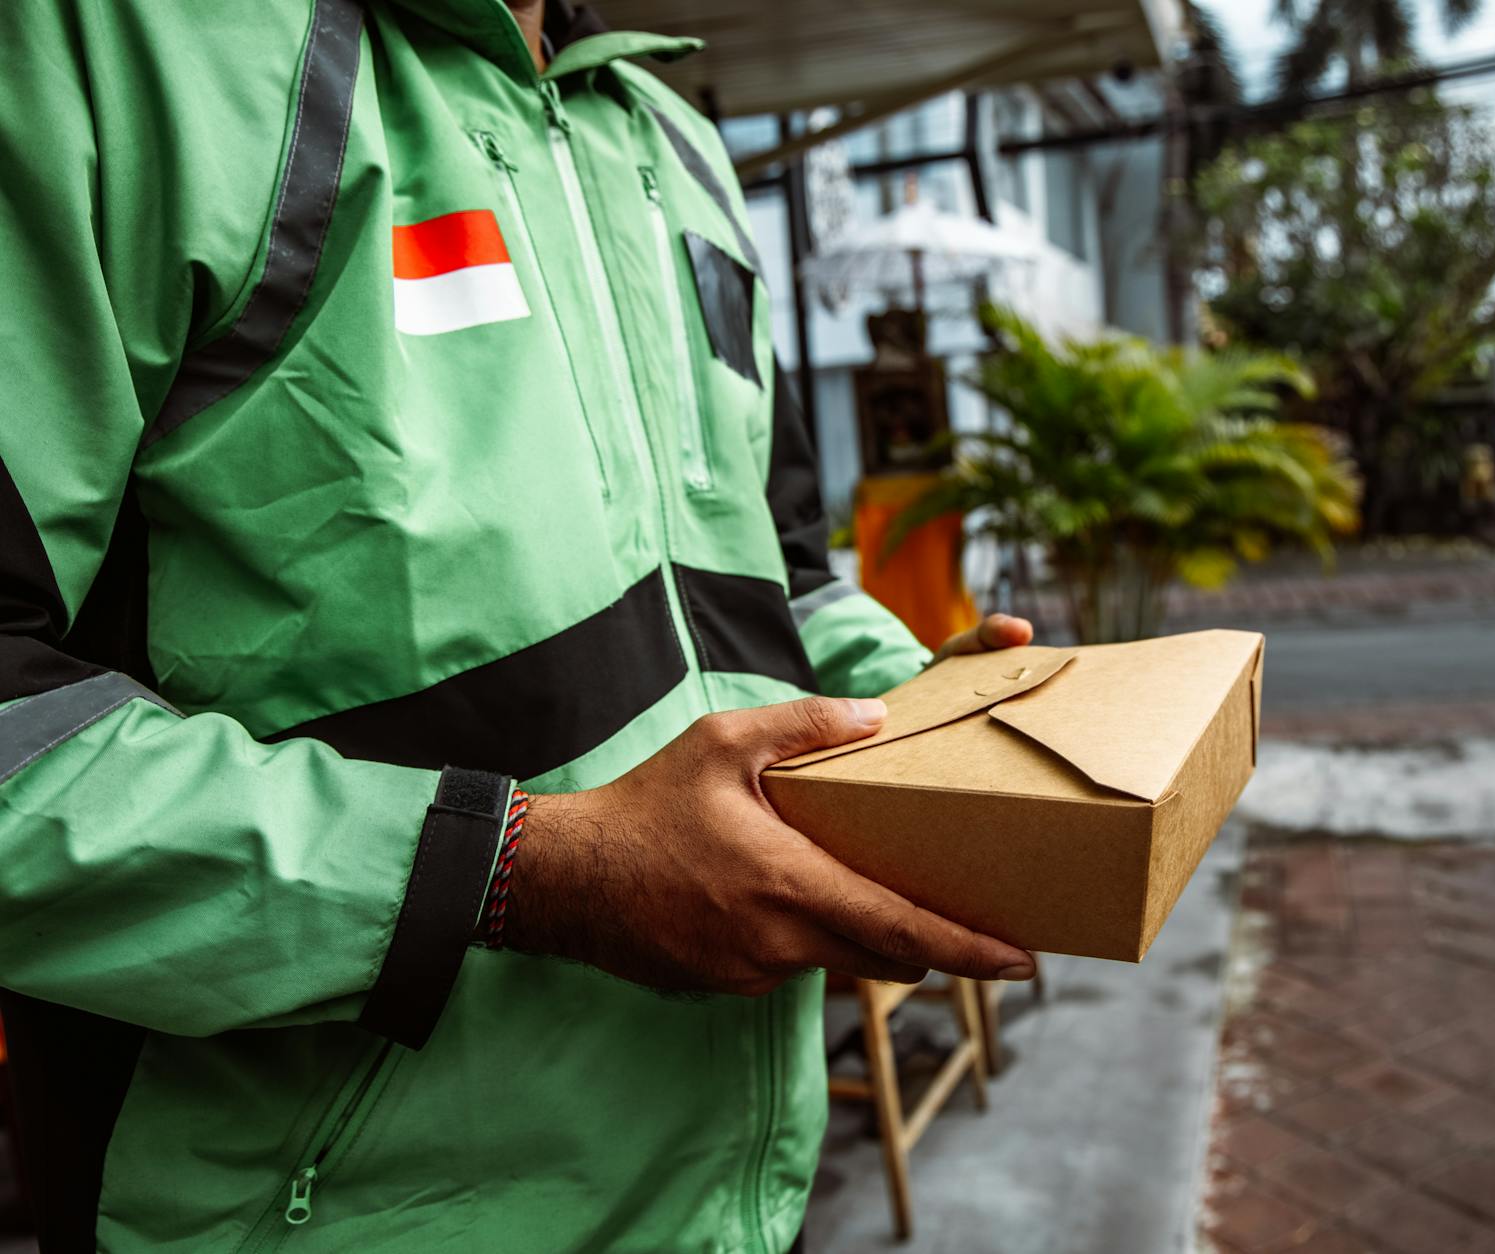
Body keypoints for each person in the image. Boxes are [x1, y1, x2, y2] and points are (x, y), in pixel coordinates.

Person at [0, 1, 1035, 1249]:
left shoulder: (671, 131)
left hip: (736, 1199)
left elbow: (778, 578)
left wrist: (928, 712)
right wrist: (520, 871)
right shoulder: (111, 44)